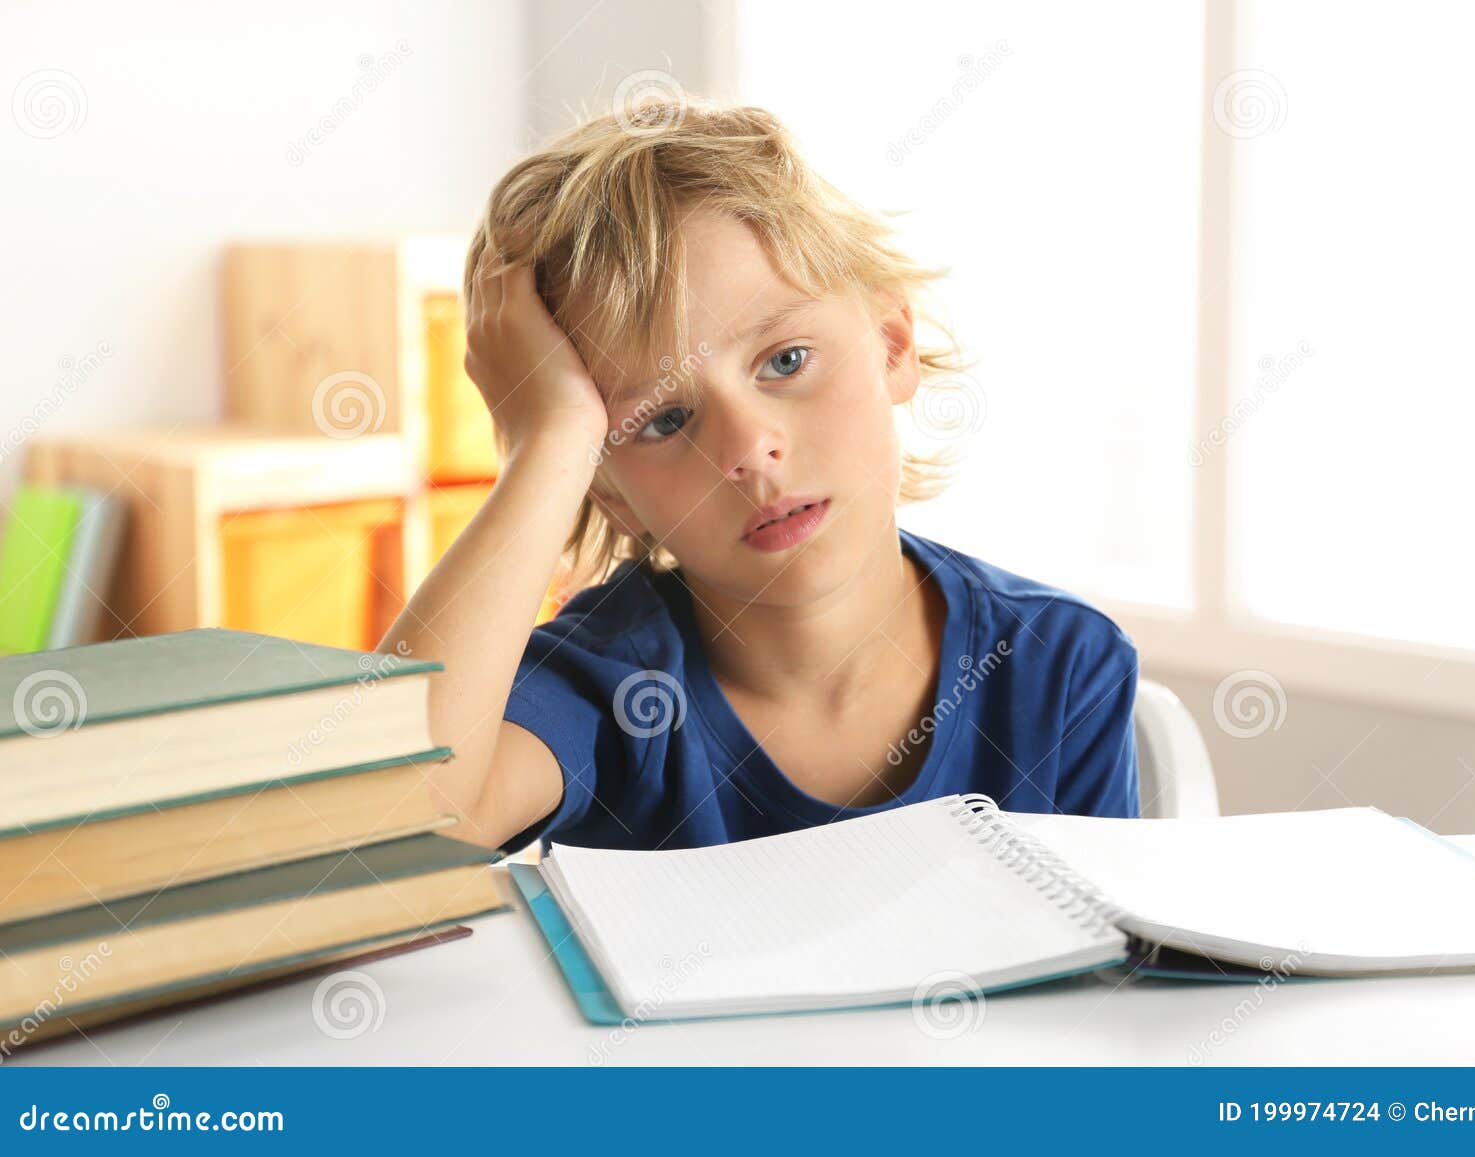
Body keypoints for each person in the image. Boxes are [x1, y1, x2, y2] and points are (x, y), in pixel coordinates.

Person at [379, 98, 1139, 852]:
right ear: (608, 492)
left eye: (786, 360)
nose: (747, 449)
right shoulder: (607, 688)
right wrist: (552, 440)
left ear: (892, 342)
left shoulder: (1059, 666)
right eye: (665, 420)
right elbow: (385, 836)